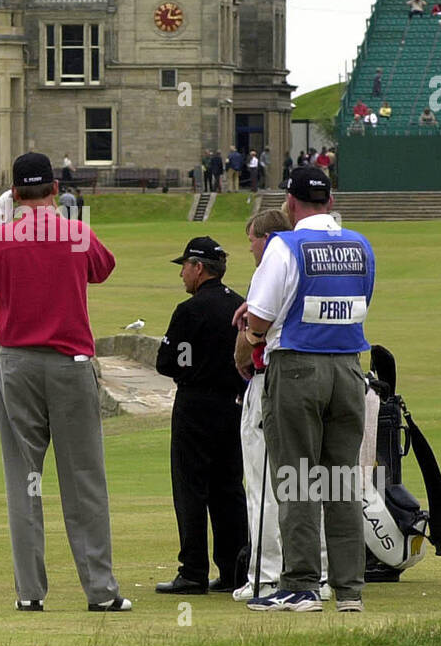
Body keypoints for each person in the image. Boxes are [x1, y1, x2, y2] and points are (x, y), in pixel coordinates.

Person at [0, 152, 130, 612]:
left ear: (14, 193)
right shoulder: (75, 232)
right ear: (55, 189)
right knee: (84, 480)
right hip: (71, 363)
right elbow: (103, 268)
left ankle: (29, 593)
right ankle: (100, 591)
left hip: (17, 364)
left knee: (24, 479)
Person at [238, 167, 375, 613]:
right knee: (341, 480)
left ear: (290, 205)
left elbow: (258, 318)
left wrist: (254, 341)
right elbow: (361, 304)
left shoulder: (285, 245)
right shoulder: (360, 245)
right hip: (350, 368)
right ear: (330, 202)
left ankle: (300, 585)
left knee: (297, 479)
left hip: (297, 366)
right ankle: (349, 589)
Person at [231, 208, 329, 602]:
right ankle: (316, 573)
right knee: (313, 482)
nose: (251, 248)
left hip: (272, 383)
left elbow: (254, 333)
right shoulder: (315, 267)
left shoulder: (273, 267)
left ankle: (266, 576)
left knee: (264, 486)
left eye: (252, 240)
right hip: (322, 379)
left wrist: (243, 337)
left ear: (268, 239)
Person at [154, 236, 249, 595]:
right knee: (229, 487)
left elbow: (166, 363)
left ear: (198, 268)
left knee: (191, 488)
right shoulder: (240, 305)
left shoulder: (189, 311)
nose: (182, 276)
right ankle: (235, 570)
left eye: (185, 268)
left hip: (195, 406)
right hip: (235, 405)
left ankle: (192, 571)